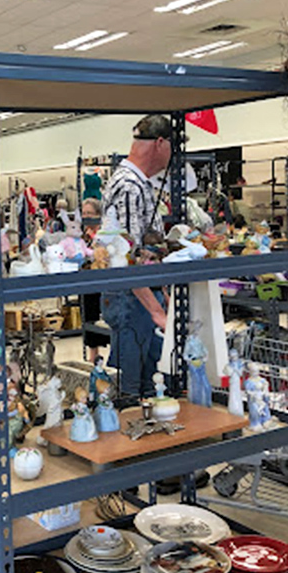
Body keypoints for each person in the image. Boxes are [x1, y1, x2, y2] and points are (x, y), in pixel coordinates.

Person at [101, 114, 172, 397]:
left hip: (141, 295)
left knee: (150, 382)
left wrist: (163, 292)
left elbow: (145, 250)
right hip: (131, 298)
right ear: (160, 143)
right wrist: (157, 312)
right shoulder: (130, 186)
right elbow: (130, 257)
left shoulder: (137, 183)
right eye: (172, 146)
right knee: (134, 390)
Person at [80, 197, 105, 362]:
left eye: (90, 213)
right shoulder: (81, 235)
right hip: (87, 280)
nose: (87, 217)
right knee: (88, 314)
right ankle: (93, 354)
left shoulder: (104, 234)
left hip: (103, 278)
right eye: (84, 213)